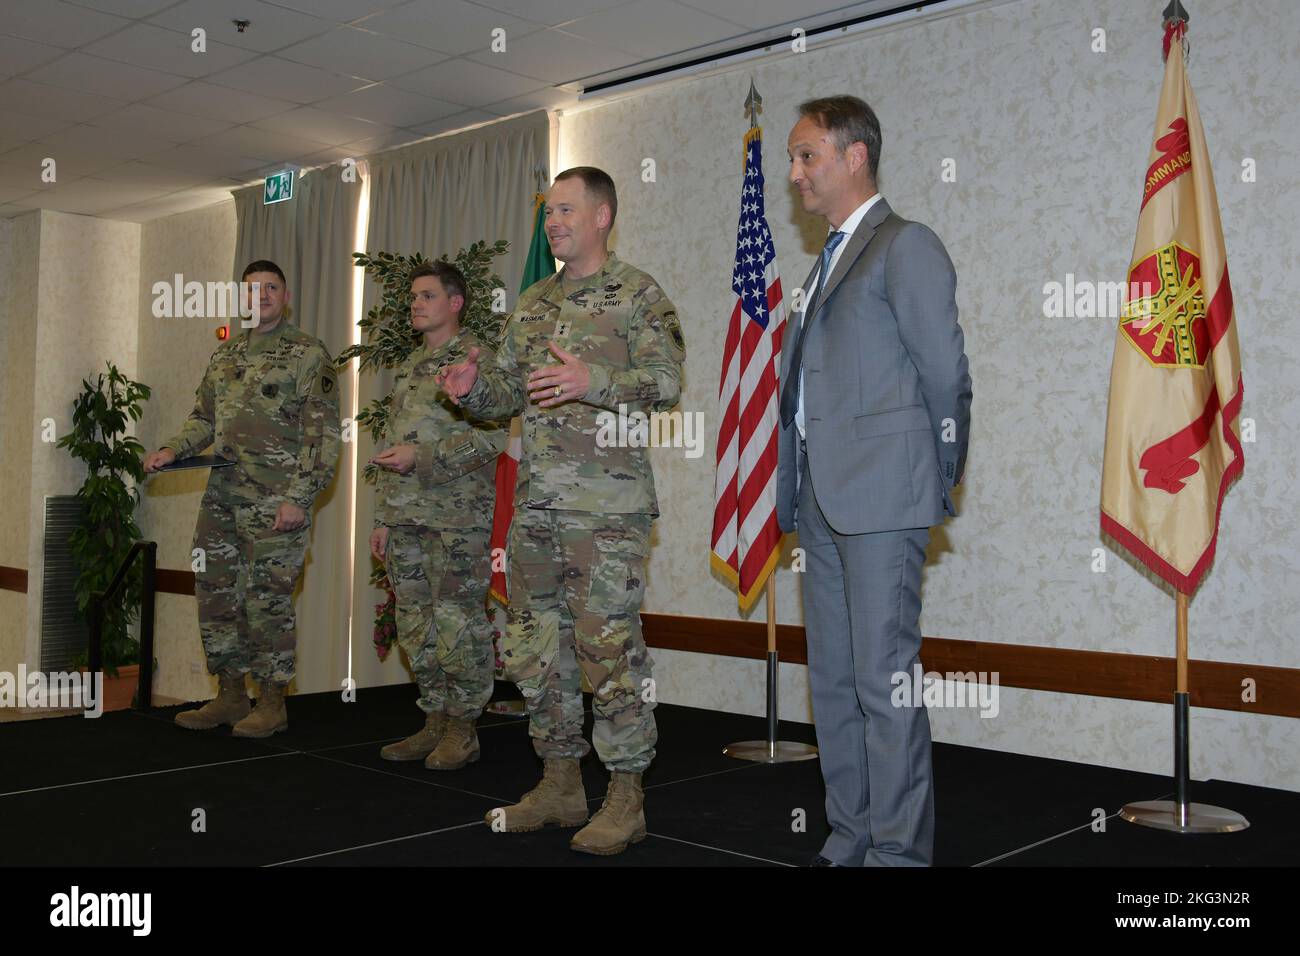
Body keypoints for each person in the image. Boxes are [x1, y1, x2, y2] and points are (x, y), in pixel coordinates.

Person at [439, 167, 686, 856]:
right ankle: (558, 783)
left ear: (603, 215)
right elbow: (507, 395)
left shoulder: (638, 293)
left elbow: (666, 383)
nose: (553, 223)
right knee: (535, 650)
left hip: (607, 513)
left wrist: (593, 380)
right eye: (550, 212)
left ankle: (626, 796)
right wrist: (470, 388)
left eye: (567, 210)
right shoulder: (534, 301)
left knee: (608, 650)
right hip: (537, 510)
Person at [776, 96, 972, 866]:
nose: (794, 174)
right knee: (833, 681)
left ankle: (897, 852)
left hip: (883, 499)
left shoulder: (906, 246)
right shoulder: (821, 266)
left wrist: (931, 480)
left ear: (854, 156)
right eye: (793, 160)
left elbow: (946, 376)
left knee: (883, 683)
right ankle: (850, 833)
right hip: (821, 502)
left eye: (806, 156)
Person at [144, 259, 340, 738]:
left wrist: (300, 498)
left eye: (270, 288)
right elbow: (204, 420)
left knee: (266, 599)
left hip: (277, 501)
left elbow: (323, 436)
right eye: (252, 290)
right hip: (222, 499)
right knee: (215, 594)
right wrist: (173, 448)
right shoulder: (226, 356)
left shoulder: (307, 354)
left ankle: (271, 703)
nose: (262, 297)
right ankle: (230, 695)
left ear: (285, 295)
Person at [369, 260, 506, 769]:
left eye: (427, 296)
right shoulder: (409, 366)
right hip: (405, 518)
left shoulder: (476, 360)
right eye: (413, 297)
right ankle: (433, 720)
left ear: (456, 303)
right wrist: (383, 516)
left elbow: (493, 437)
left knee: (456, 624)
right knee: (414, 623)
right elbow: (392, 445)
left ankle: (463, 729)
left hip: (456, 520)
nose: (416, 304)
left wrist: (422, 459)